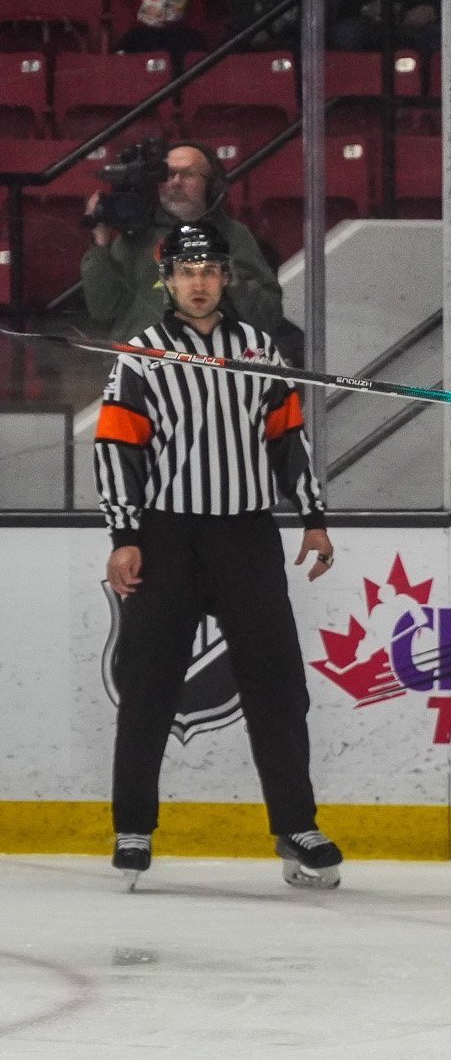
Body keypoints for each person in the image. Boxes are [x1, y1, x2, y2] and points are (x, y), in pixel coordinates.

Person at [94, 222, 343, 892]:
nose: (198, 282)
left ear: (224, 277)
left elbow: (288, 437)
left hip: (246, 535)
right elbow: (117, 448)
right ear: (167, 280)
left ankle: (296, 823)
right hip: (167, 536)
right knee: (148, 684)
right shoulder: (141, 354)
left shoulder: (258, 349)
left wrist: (313, 517)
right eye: (185, 271)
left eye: (208, 270)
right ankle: (134, 826)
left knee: (278, 686)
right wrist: (124, 534)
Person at [82, 141, 284, 345]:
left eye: (188, 174)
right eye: (168, 175)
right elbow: (103, 309)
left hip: (211, 364)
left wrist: (228, 276)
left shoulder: (233, 234)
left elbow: (269, 317)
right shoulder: (138, 235)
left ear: (212, 185)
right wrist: (101, 245)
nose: (175, 182)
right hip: (142, 361)